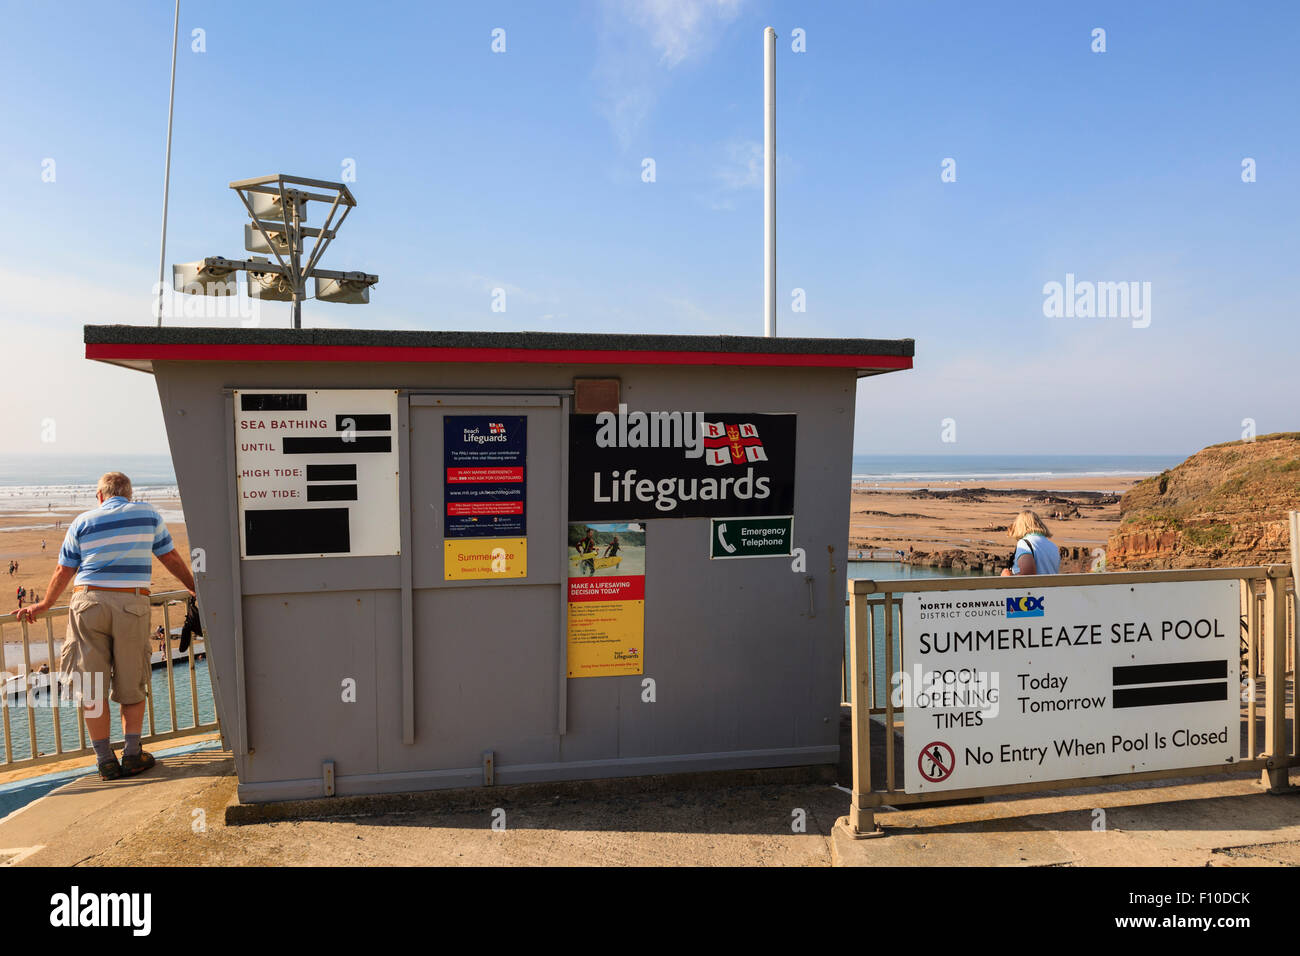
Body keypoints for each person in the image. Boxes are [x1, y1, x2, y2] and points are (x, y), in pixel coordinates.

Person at [12, 472, 196, 781]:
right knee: (130, 681)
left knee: (92, 686)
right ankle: (133, 755)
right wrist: (194, 587)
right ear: (129, 493)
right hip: (131, 603)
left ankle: (105, 760)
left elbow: (64, 569)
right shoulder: (148, 513)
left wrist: (43, 605)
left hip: (88, 602)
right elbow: (170, 557)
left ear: (100, 496)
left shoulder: (82, 521)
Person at [1001, 510, 1060, 576]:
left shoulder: (1025, 544)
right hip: (1051, 586)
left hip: (1038, 586)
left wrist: (1008, 575)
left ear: (1020, 526)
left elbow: (1027, 576)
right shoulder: (1052, 546)